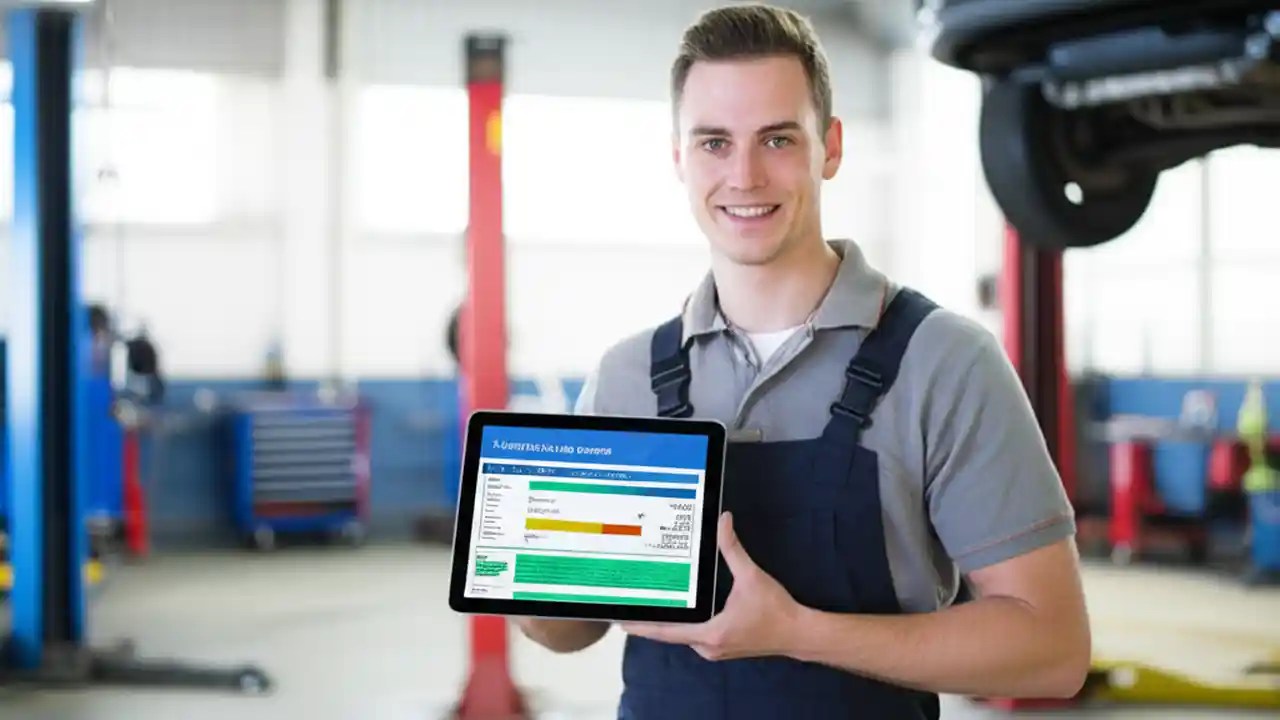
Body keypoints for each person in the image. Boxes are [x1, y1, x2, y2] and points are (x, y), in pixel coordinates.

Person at [516, 4, 1091, 718]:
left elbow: (1052, 648)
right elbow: (566, 629)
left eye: (778, 139)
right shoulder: (627, 376)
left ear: (831, 147)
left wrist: (800, 633)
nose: (745, 175)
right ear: (679, 158)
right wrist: (522, 563)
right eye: (714, 143)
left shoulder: (943, 361)